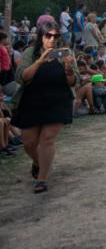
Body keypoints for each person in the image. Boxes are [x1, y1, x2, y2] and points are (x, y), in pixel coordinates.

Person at [10, 21, 78, 194]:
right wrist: (40, 60)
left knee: (47, 139)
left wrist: (69, 69)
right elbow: (22, 77)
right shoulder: (30, 52)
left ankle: (42, 179)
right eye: (49, 35)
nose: (52, 39)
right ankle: (40, 163)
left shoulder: (65, 54)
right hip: (32, 101)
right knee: (29, 143)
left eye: (56, 36)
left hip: (58, 99)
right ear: (41, 36)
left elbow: (73, 81)